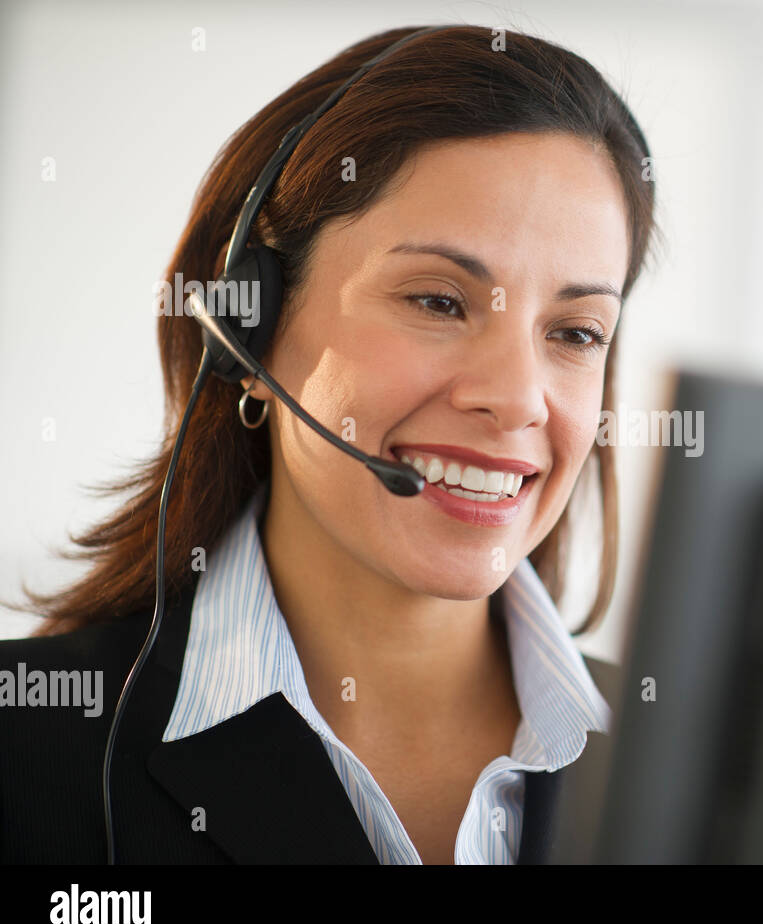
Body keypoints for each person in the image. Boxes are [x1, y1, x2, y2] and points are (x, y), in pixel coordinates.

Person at [0, 23, 661, 864]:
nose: (517, 399)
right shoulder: (27, 748)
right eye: (438, 302)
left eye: (573, 332)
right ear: (247, 328)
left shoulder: (725, 774)